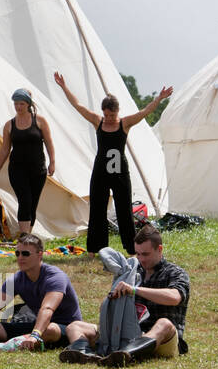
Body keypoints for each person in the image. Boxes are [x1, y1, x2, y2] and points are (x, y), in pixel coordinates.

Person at [54, 71, 171, 254]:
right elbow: (78, 106)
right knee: (97, 211)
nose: (109, 118)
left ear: (117, 111)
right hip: (101, 172)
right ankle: (95, 248)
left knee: (124, 211)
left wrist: (160, 98)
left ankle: (132, 249)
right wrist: (63, 87)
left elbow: (144, 112)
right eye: (106, 115)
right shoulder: (97, 122)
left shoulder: (125, 123)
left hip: (120, 173)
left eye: (111, 115)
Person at [0, 235, 98, 353]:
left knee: (50, 328)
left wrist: (35, 335)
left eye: (25, 254)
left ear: (40, 255)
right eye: (17, 253)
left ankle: (3, 347)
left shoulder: (55, 277)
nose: (20, 257)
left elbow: (47, 309)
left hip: (64, 328)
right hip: (38, 325)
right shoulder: (17, 279)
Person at [103, 223, 190, 366]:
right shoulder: (133, 272)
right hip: (133, 333)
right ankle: (83, 353)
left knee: (164, 324)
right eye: (137, 254)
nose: (141, 259)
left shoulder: (175, 272)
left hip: (165, 340)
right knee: (76, 327)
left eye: (145, 254)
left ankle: (126, 355)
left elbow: (174, 297)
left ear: (159, 249)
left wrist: (135, 290)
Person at [0, 88, 56, 236]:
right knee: (24, 200)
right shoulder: (10, 125)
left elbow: (49, 142)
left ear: (28, 104)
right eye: (16, 104)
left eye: (21, 104)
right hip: (17, 169)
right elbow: (5, 149)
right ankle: (24, 237)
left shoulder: (40, 121)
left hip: (38, 169)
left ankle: (28, 239)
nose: (18, 107)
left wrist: (52, 162)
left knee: (32, 204)